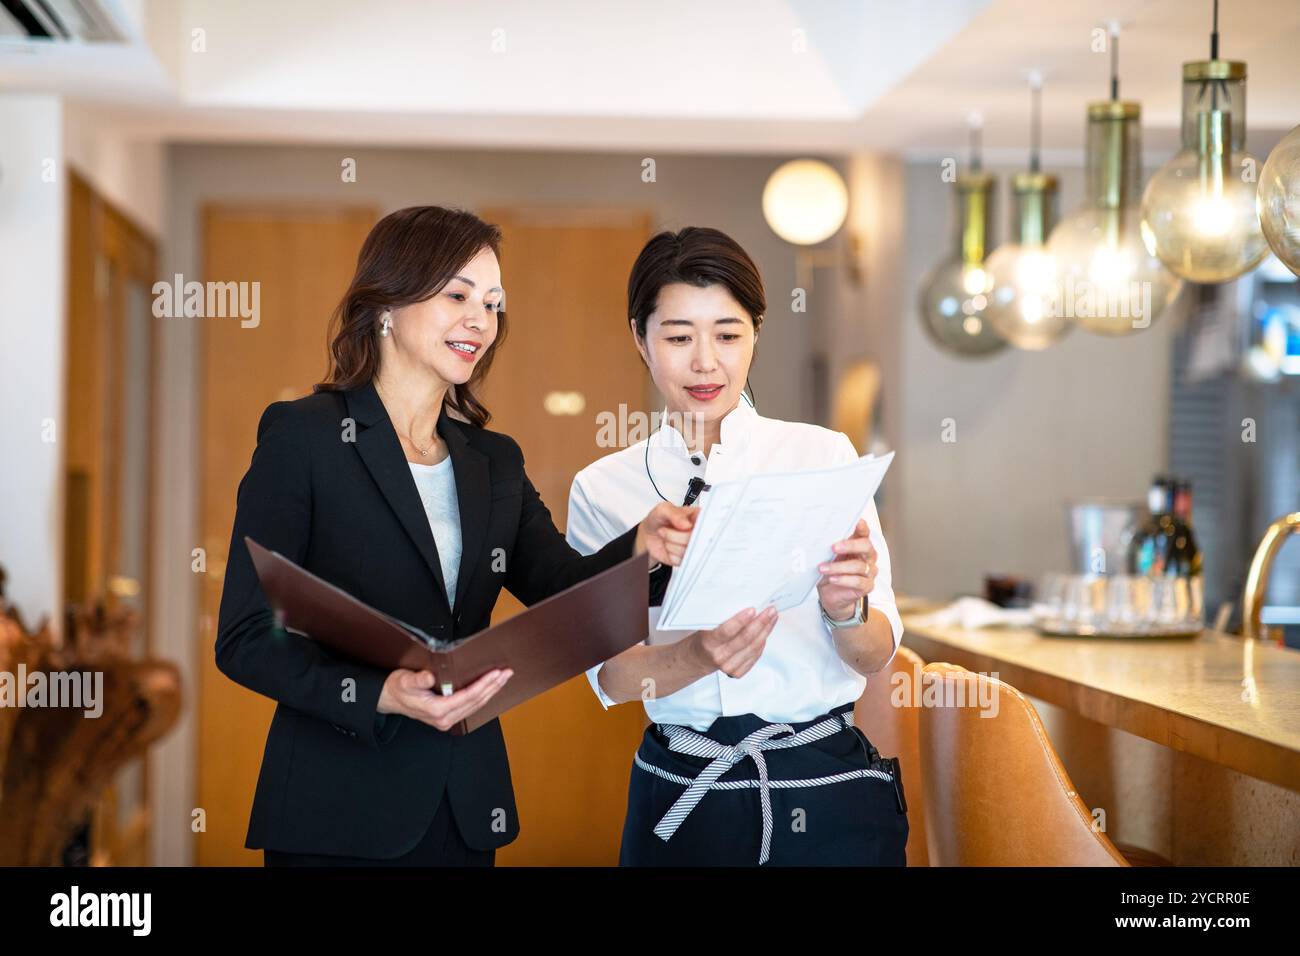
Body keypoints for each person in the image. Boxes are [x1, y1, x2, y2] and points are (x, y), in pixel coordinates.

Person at [215, 206, 694, 866]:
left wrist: (642, 551)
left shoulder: (493, 461)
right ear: (386, 304)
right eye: (458, 295)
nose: (480, 319)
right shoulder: (306, 438)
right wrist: (379, 693)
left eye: (493, 303)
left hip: (464, 811)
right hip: (335, 812)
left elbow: (562, 590)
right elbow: (244, 639)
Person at [566, 226, 908, 866]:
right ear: (640, 340)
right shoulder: (602, 489)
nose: (705, 362)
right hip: (685, 791)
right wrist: (698, 655)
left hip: (824, 783)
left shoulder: (822, 455)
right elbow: (612, 675)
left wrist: (845, 610)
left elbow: (874, 654)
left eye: (727, 334)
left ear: (756, 332)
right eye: (677, 337)